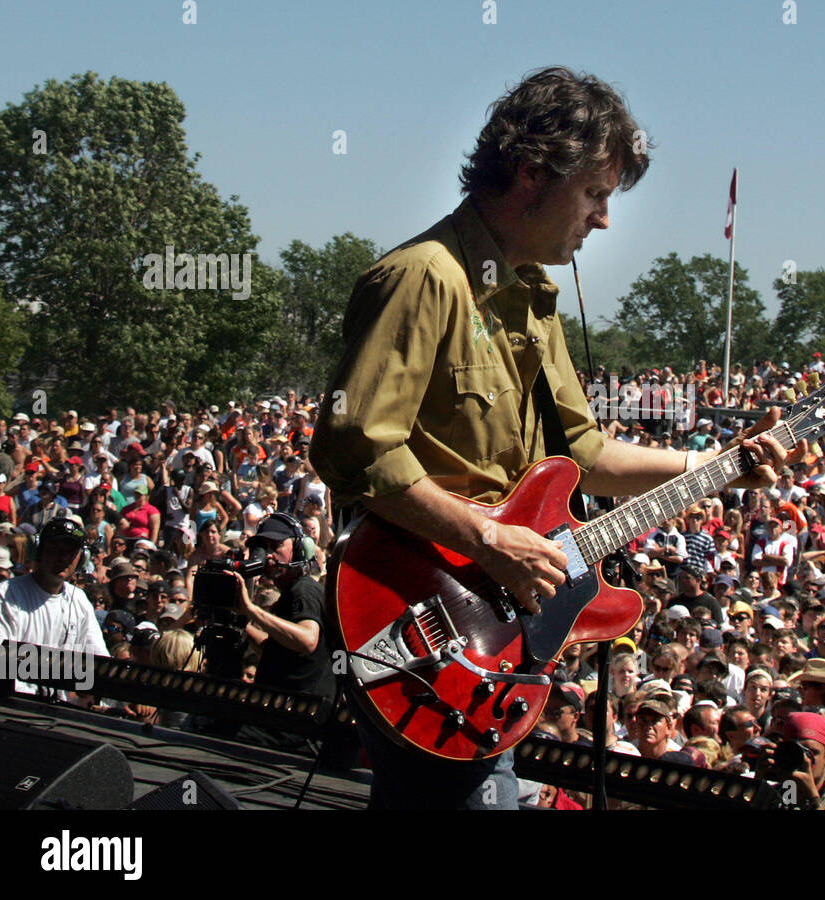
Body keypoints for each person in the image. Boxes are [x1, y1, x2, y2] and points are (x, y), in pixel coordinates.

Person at [309, 67, 797, 810]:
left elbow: (588, 457)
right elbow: (356, 447)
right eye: (596, 194)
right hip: (415, 620)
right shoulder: (423, 279)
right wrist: (488, 540)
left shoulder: (533, 300)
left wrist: (720, 467)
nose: (603, 219)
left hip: (490, 632)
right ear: (535, 174)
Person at [225, 512, 336, 746]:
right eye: (264, 548)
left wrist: (251, 610)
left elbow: (307, 640)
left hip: (296, 724)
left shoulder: (304, 590)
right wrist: (242, 623)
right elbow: (280, 653)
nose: (269, 556)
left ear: (298, 549)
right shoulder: (290, 593)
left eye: (277, 546)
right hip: (282, 716)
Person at [0, 516, 109, 698]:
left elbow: (99, 664)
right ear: (38, 551)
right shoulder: (6, 594)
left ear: (82, 558)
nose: (63, 558)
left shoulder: (79, 600)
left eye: (70, 552)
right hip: (12, 706)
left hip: (59, 713)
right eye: (55, 550)